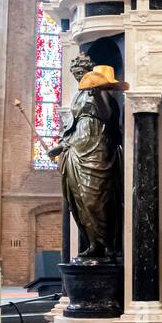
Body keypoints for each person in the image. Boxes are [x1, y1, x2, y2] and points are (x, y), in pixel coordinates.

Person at [48, 56, 126, 260]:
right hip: (76, 150)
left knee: (96, 200)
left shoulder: (103, 96)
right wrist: (61, 146)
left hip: (98, 149)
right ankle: (93, 244)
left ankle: (108, 244)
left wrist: (98, 93)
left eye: (81, 73)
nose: (78, 77)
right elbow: (72, 128)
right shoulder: (77, 97)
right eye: (75, 74)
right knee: (80, 201)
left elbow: (111, 119)